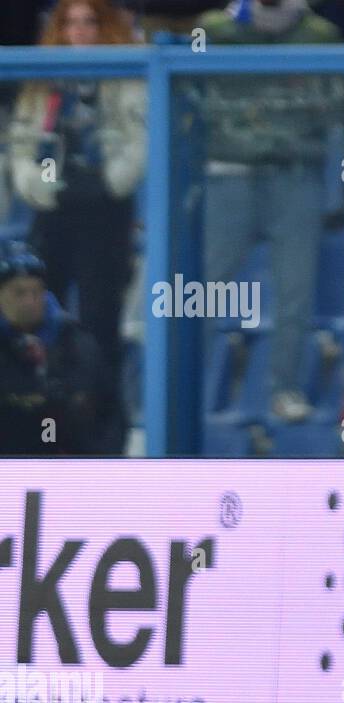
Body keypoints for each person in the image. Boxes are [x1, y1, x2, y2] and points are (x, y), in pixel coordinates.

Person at [195, 0, 343, 424]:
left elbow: (338, 105)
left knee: (295, 291)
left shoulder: (320, 35)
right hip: (228, 174)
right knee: (206, 290)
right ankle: (184, 386)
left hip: (295, 175)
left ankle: (285, 389)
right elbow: (192, 98)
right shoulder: (215, 29)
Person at [9, 0, 145, 455]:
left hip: (105, 208)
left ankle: (104, 434)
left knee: (99, 321)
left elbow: (141, 136)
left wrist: (114, 178)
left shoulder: (128, 73)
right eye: (71, 23)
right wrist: (33, 182)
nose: (80, 32)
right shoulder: (41, 74)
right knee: (33, 312)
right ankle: (33, 426)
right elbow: (22, 139)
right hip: (53, 205)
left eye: (89, 22)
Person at [0, 241, 104, 455]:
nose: (29, 301)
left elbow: (106, 413)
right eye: (19, 293)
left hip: (64, 467)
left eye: (36, 292)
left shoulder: (74, 342)